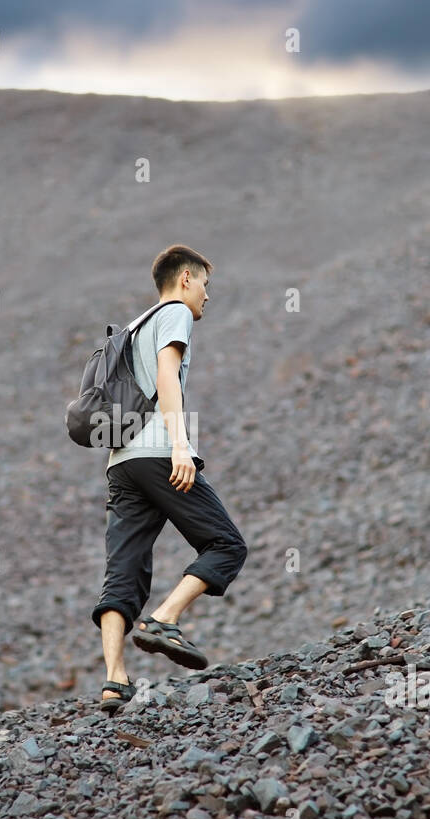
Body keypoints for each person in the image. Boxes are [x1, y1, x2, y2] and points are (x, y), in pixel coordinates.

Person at [91, 245, 247, 713]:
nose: (206, 296)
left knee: (123, 570)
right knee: (225, 544)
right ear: (184, 280)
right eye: (204, 284)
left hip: (121, 460)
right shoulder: (174, 312)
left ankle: (114, 680)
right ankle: (164, 619)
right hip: (159, 451)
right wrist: (181, 444)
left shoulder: (134, 325)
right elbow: (167, 374)